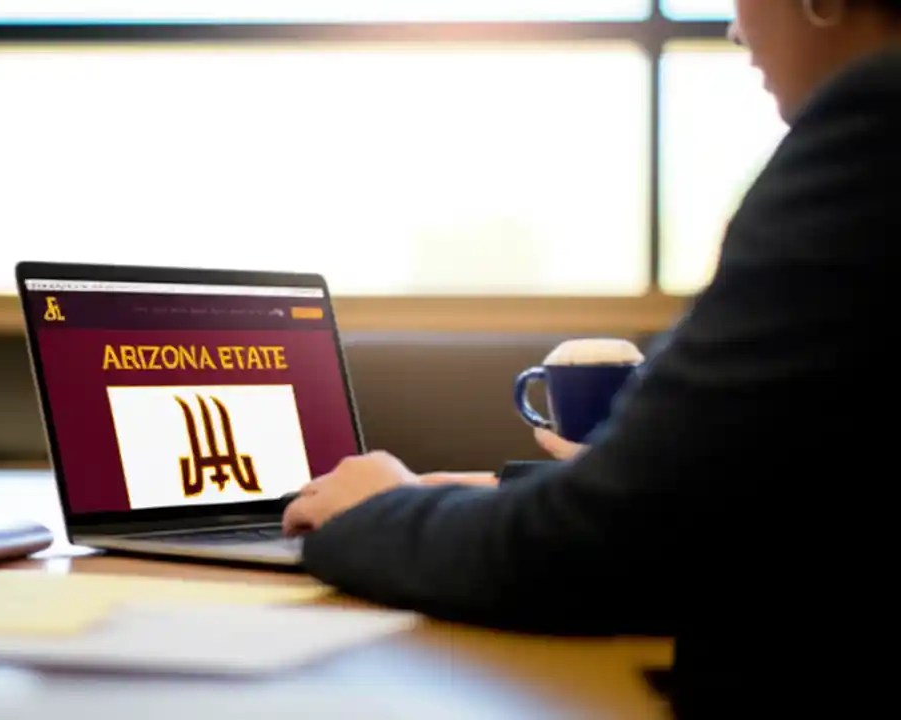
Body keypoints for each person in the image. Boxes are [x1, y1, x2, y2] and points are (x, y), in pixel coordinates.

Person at [282, 0, 900, 714]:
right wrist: (539, 489)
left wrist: (378, 512)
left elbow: (601, 554)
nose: (735, 27)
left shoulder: (882, 130)